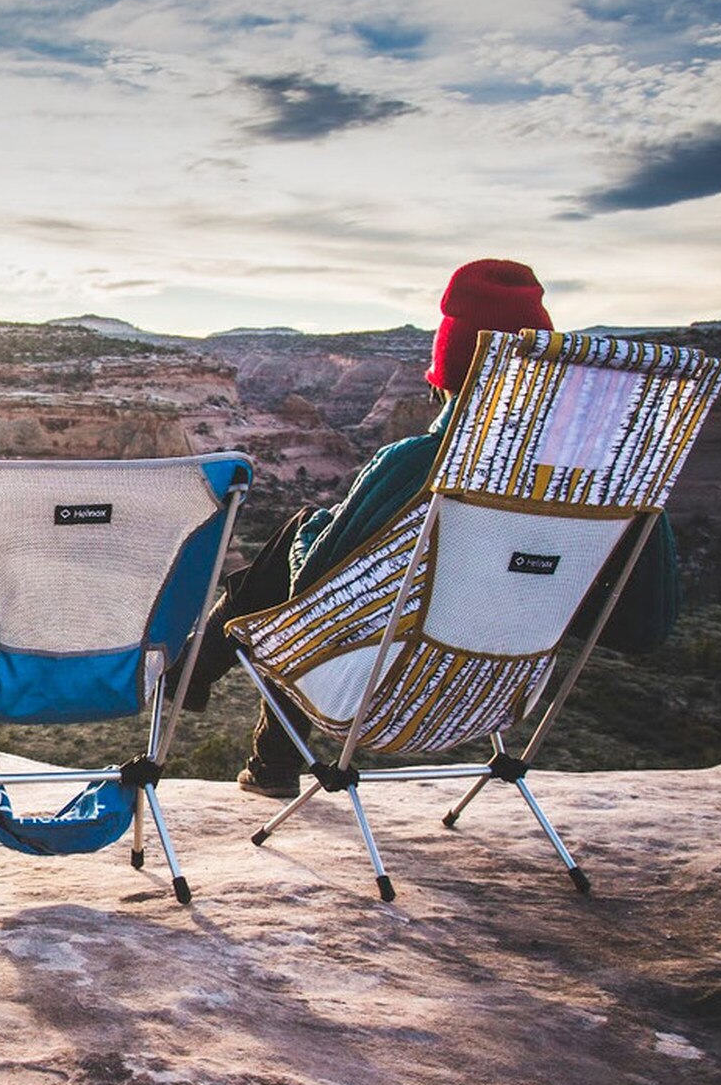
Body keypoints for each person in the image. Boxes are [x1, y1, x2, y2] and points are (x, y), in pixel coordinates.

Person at [176, 259, 677, 798]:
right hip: (496, 694)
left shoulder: (418, 463)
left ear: (444, 379)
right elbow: (644, 627)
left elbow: (314, 588)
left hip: (381, 690)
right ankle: (220, 698)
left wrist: (312, 531)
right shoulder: (607, 483)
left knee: (297, 539)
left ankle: (203, 678)